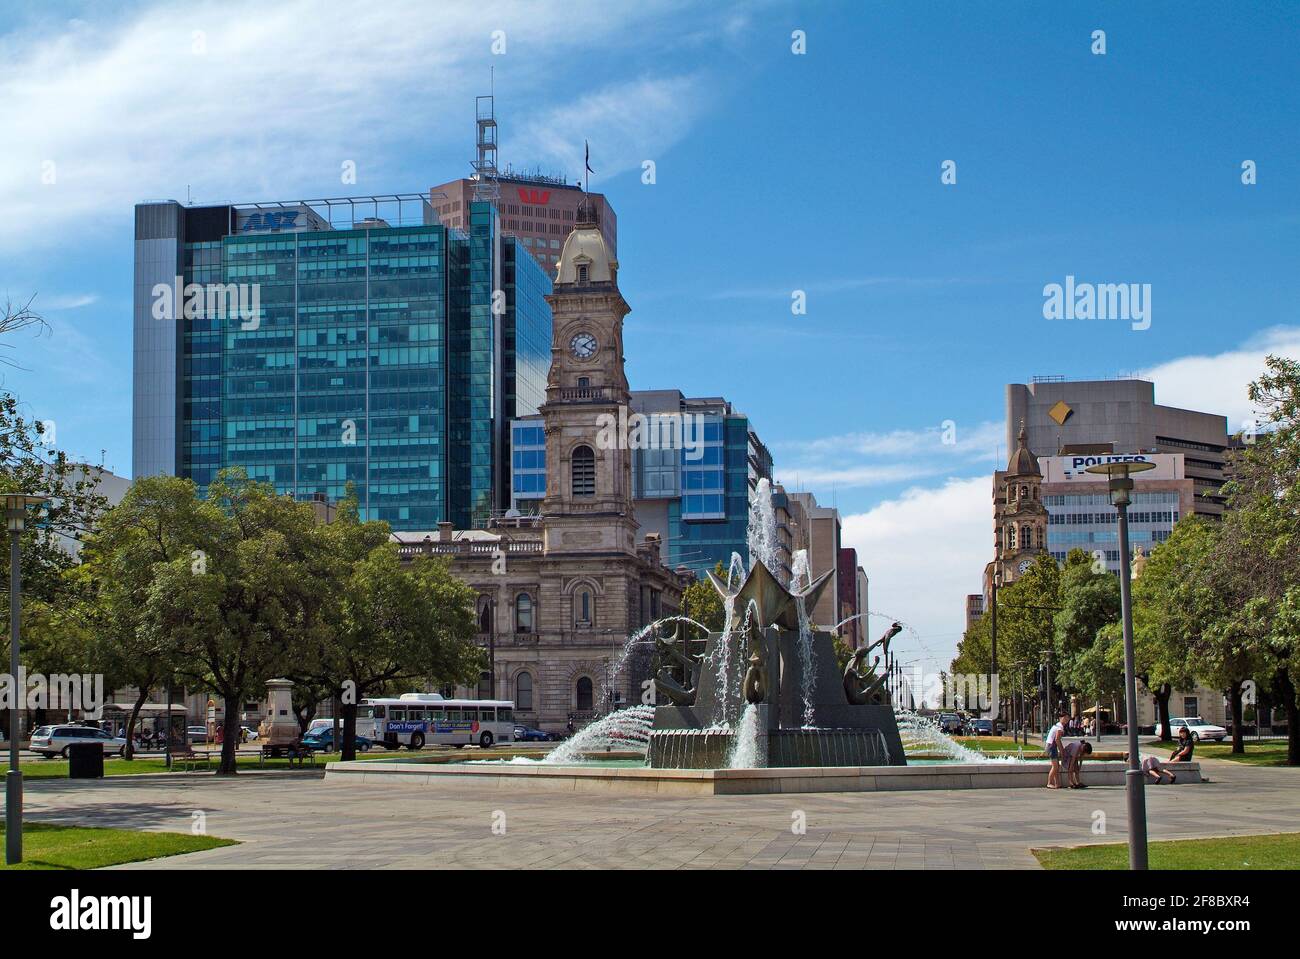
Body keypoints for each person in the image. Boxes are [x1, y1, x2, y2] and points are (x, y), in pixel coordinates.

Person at [1045, 710, 1068, 789]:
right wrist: (1062, 751)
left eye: (1067, 718)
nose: (1066, 720)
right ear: (1060, 718)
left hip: (1051, 746)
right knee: (1055, 766)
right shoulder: (1059, 727)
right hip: (1051, 747)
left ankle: (1057, 783)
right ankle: (1049, 783)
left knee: (1056, 766)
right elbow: (1057, 740)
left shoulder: (1058, 725)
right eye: (1065, 718)